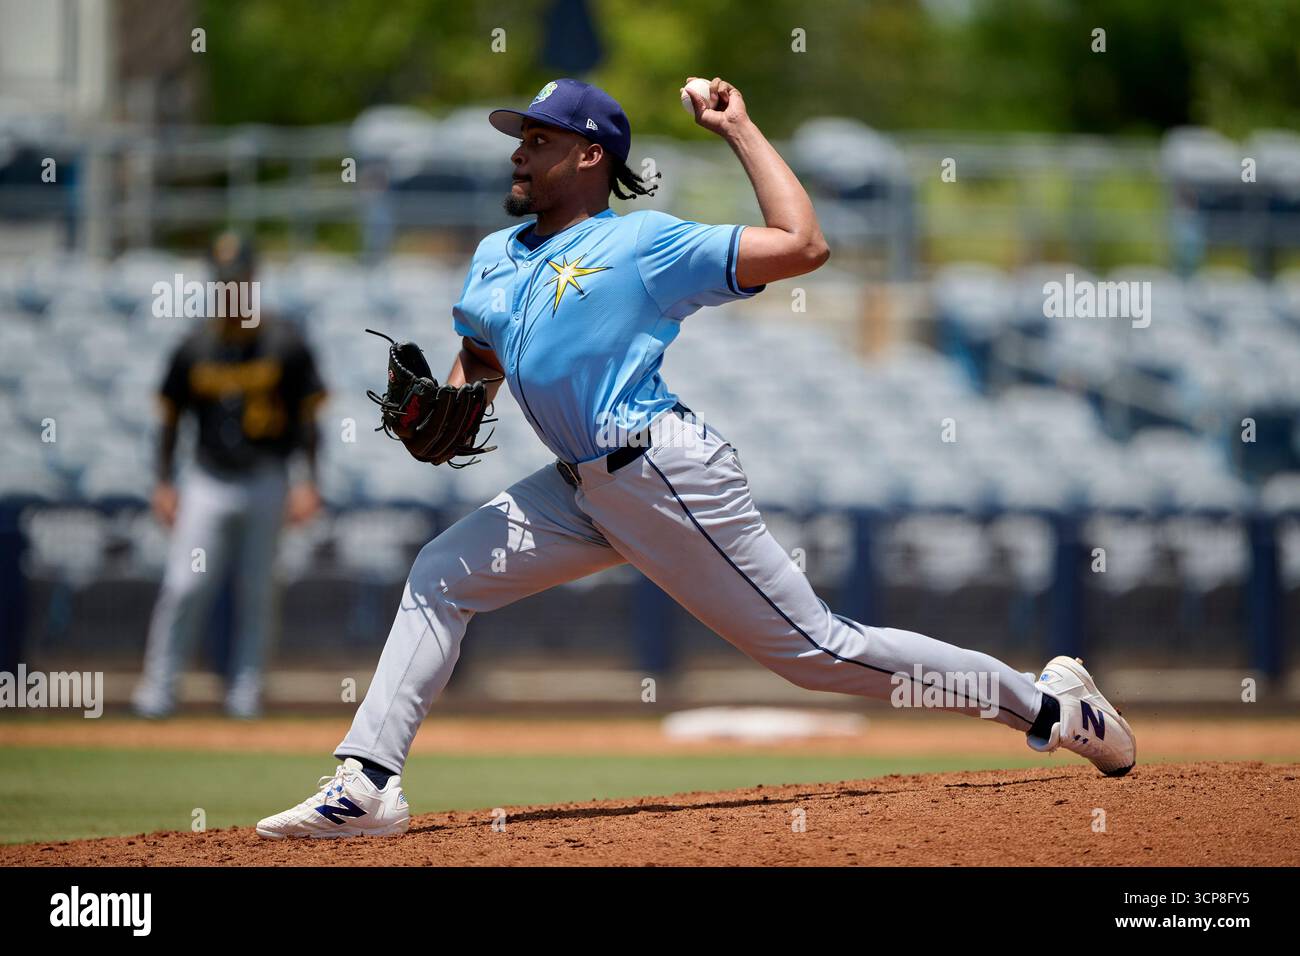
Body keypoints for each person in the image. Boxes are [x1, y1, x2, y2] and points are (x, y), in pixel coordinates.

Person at [255, 78, 1134, 839]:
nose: (518, 154)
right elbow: (481, 362)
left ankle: (1052, 706)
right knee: (441, 572)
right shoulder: (492, 258)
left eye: (539, 140)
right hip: (578, 488)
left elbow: (804, 245)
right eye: (519, 139)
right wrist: (445, 410)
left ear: (591, 157)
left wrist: (739, 130)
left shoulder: (643, 245)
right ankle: (367, 782)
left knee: (818, 653)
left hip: (663, 472)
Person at [133, 232, 327, 720]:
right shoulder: (194, 347)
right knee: (185, 584)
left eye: (238, 280)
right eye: (223, 282)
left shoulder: (284, 340)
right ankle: (159, 690)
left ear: (253, 280)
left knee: (258, 589)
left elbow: (308, 420)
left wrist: (309, 480)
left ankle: (245, 692)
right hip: (207, 479)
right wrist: (163, 481)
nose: (230, 289)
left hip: (268, 478)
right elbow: (171, 420)